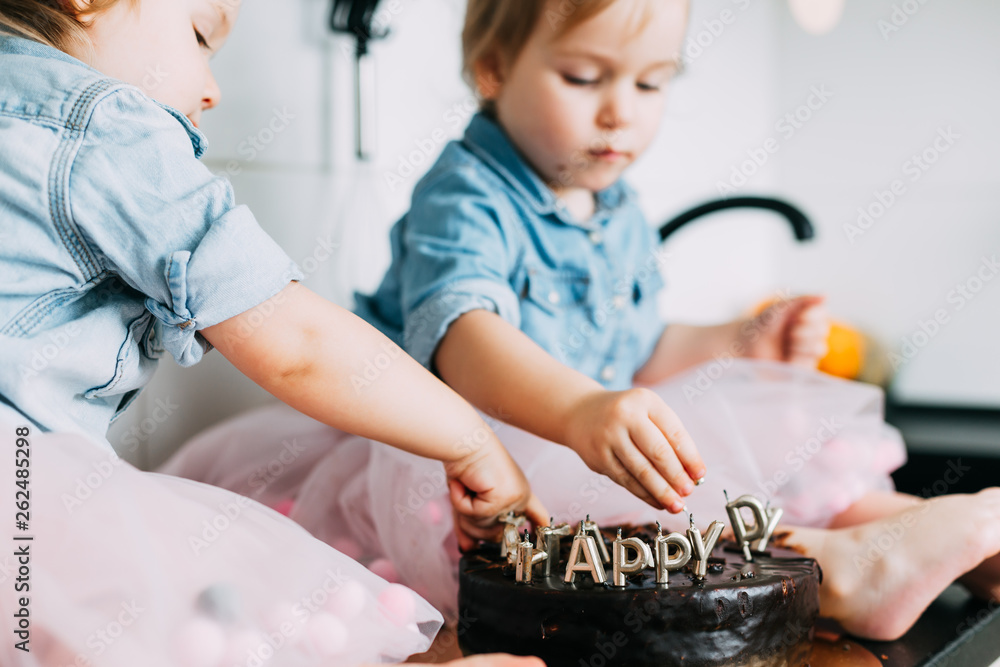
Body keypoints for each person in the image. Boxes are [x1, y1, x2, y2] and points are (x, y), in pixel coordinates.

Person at [162, 0, 1000, 648]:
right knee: (613, 526)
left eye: (649, 82)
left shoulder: (618, 209)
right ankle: (836, 573)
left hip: (575, 431)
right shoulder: (465, 195)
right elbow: (465, 337)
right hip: (457, 449)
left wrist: (739, 344)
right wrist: (576, 411)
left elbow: (638, 348)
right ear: (493, 66)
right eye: (585, 77)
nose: (620, 114)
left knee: (761, 445)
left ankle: (905, 529)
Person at [0, 0, 546, 664]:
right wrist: (470, 440)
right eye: (200, 35)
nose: (212, 86)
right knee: (222, 624)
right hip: (22, 494)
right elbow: (296, 344)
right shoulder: (106, 127)